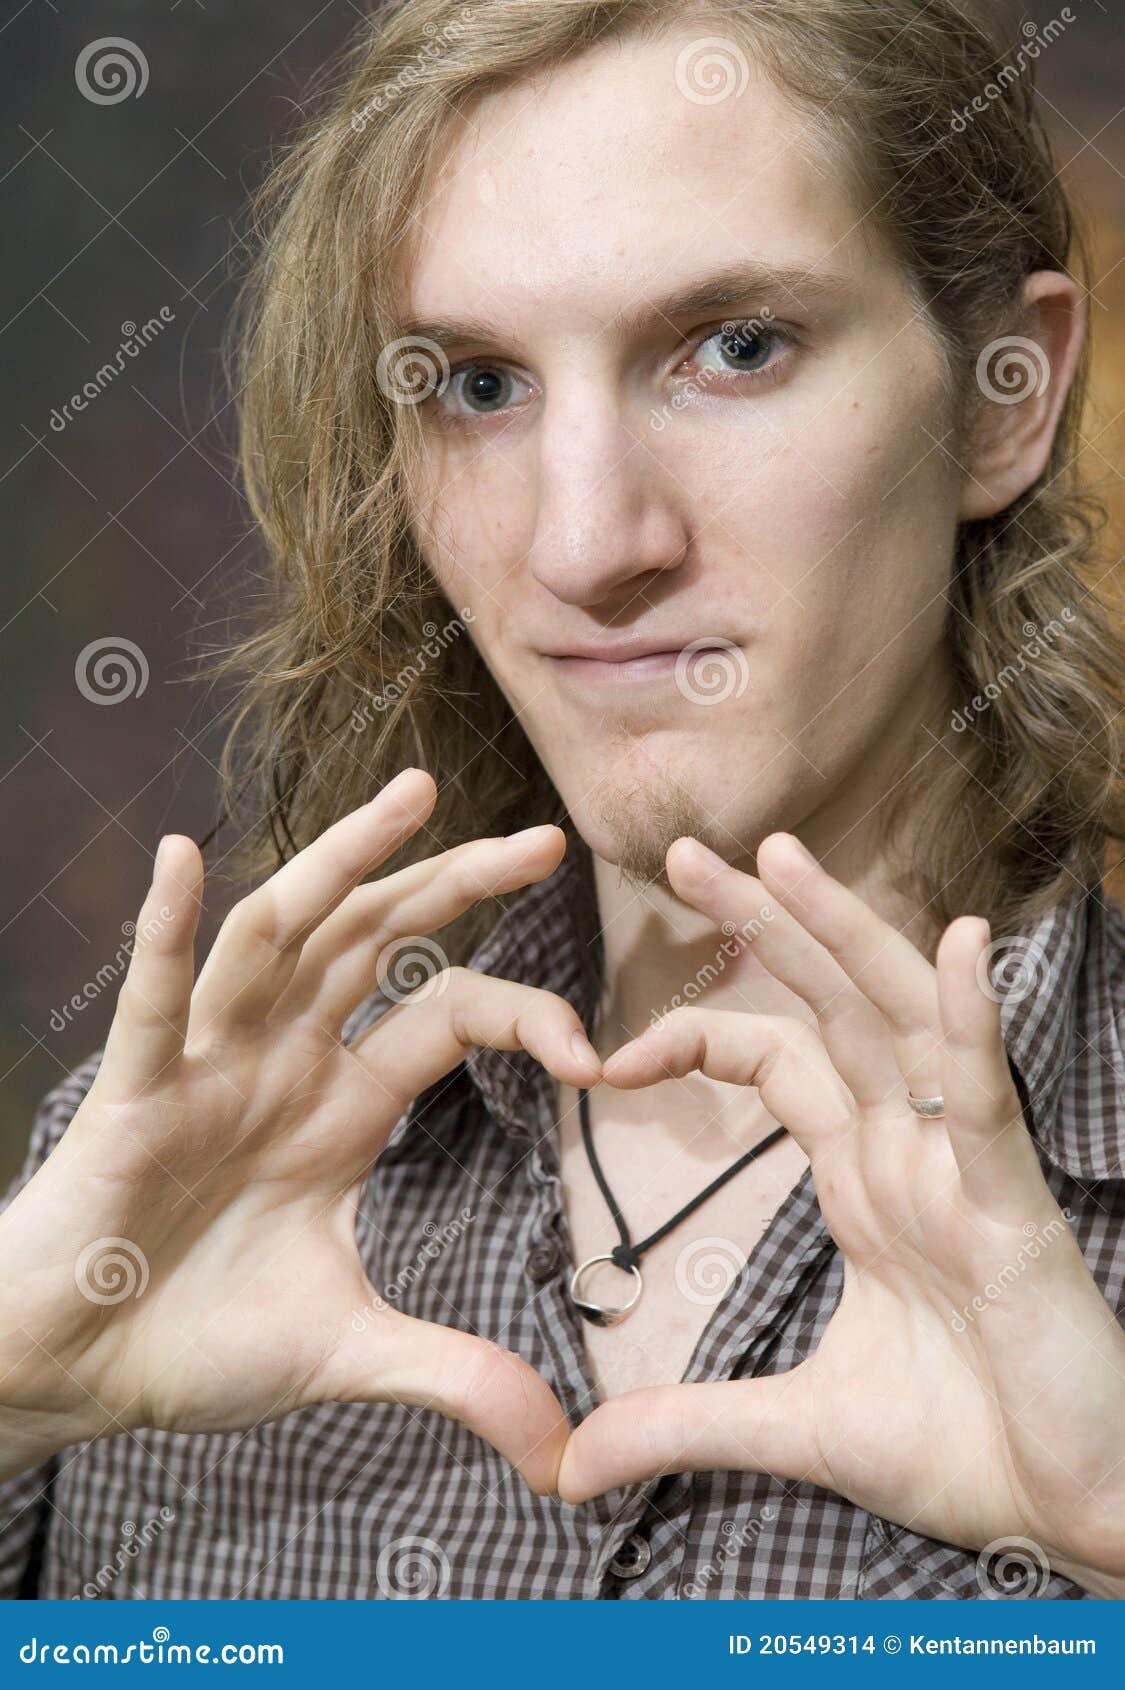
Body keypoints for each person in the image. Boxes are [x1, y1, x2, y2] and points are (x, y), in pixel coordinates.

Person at [2, 0, 1123, 1601]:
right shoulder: (149, 1193)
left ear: (1003, 394)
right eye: (476, 384)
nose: (586, 544)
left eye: (733, 347)